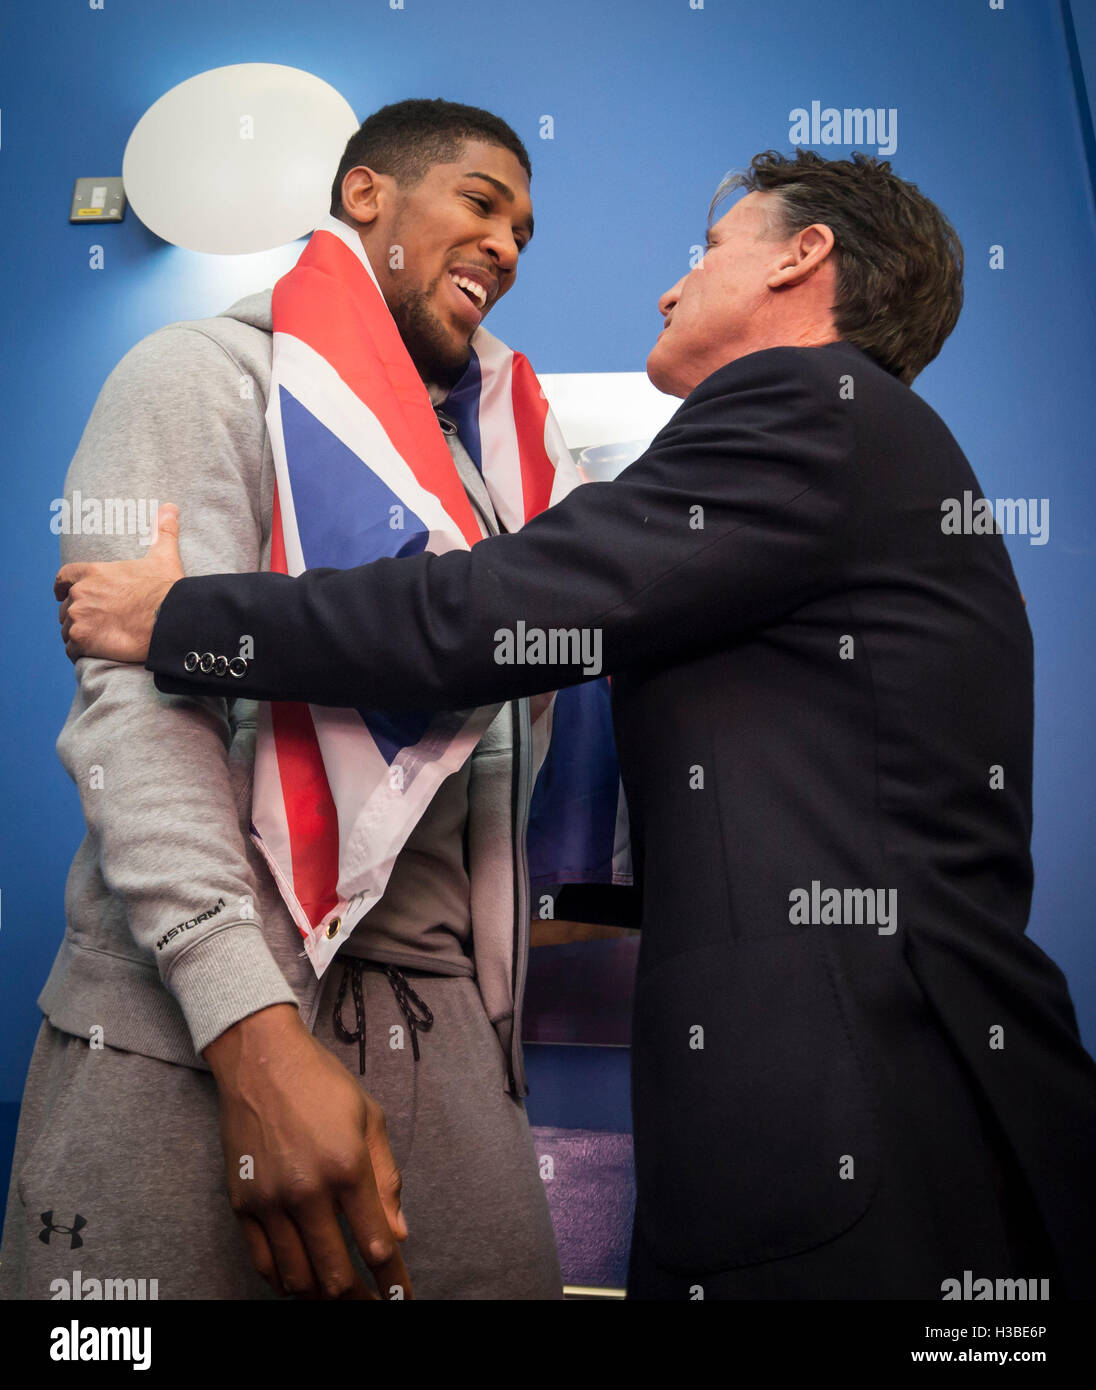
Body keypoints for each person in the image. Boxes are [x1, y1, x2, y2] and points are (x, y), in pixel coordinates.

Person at [56, 147, 1096, 1301]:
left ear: (805, 257)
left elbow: (493, 612)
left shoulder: (808, 404)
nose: (668, 288)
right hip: (880, 1090)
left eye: (705, 251)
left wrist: (179, 613)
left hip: (865, 1106)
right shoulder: (853, 450)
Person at [4, 98, 574, 1302]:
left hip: (443, 1028)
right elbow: (135, 718)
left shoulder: (513, 461)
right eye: (481, 202)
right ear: (366, 195)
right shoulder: (192, 374)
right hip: (189, 1024)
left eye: (524, 229)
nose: (508, 246)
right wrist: (248, 1029)